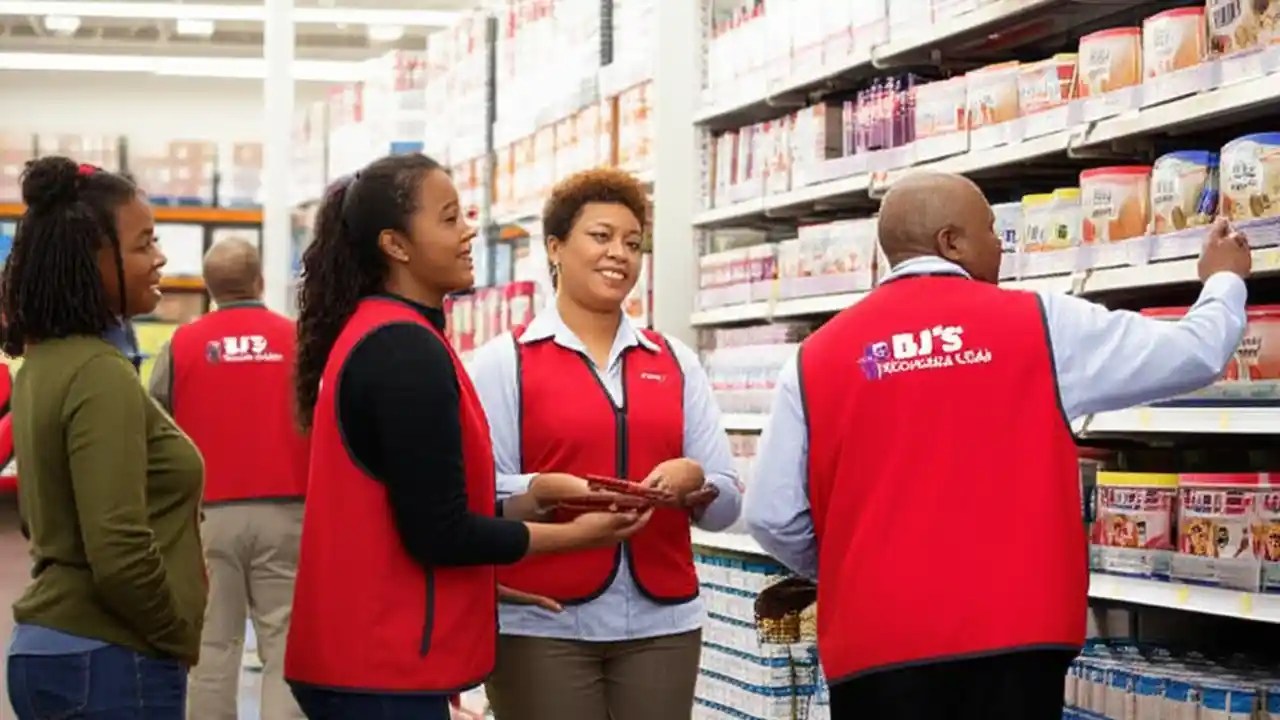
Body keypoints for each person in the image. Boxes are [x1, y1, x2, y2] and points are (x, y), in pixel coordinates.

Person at [744, 171, 1252, 720]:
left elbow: (770, 514)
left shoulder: (813, 358)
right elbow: (1194, 354)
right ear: (951, 242)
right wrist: (1224, 280)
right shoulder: (1040, 322)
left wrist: (855, 567)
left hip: (875, 649)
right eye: (991, 230)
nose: (1001, 246)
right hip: (1016, 642)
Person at [285, 153, 652, 720]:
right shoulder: (404, 350)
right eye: (450, 218)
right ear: (396, 245)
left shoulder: (383, 334)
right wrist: (578, 538)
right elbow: (439, 532)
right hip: (382, 665)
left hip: (366, 652)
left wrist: (530, 500)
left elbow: (406, 502)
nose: (468, 231)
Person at [470, 167, 743, 720]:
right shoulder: (506, 361)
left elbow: (729, 502)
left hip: (662, 622)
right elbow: (477, 496)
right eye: (600, 236)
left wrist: (698, 483)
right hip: (543, 620)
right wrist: (540, 489)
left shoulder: (673, 362)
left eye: (633, 243)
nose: (619, 253)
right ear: (555, 247)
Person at [3, 157, 204, 719]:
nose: (159, 257)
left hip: (52, 650)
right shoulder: (99, 373)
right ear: (91, 260)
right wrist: (174, 634)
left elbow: (36, 517)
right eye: (143, 244)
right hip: (110, 659)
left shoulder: (43, 363)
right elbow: (117, 546)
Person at [148, 237, 308, 720]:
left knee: (212, 646)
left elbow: (154, 425)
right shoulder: (301, 340)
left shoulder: (181, 346)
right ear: (260, 281)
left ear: (209, 287)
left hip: (205, 518)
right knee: (285, 645)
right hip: (288, 512)